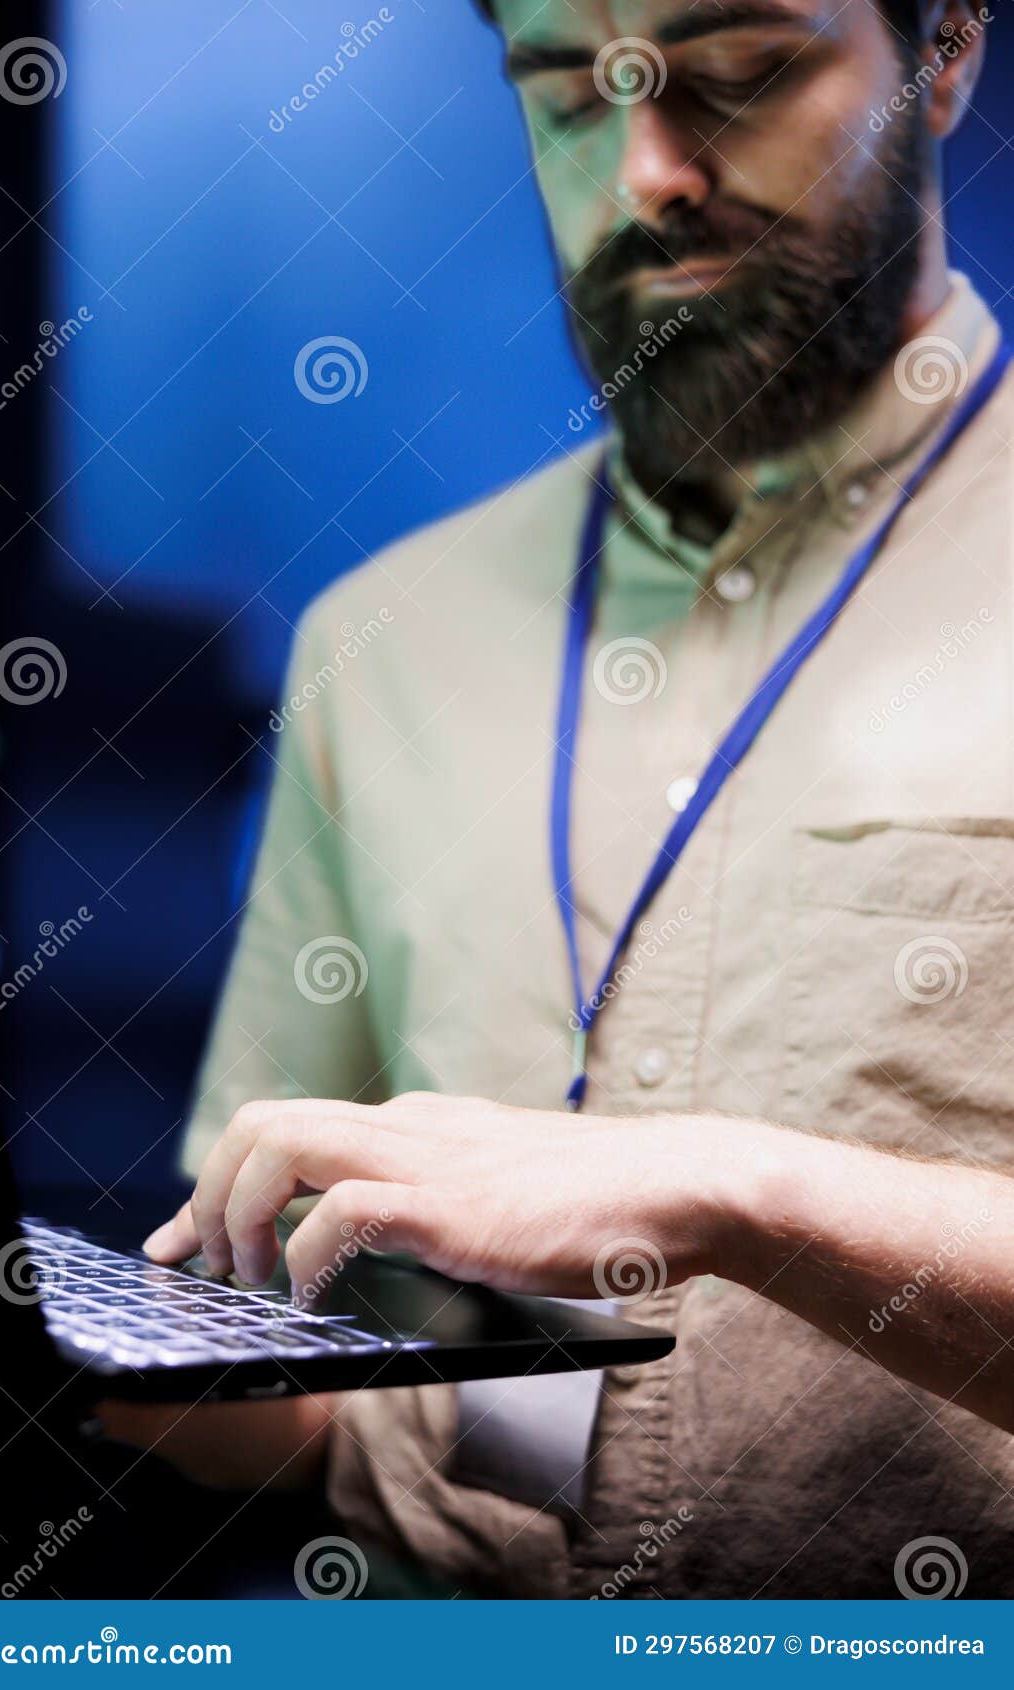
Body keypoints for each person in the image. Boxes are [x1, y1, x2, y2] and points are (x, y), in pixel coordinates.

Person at [135, 0, 1014, 1598]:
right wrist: (63, 1355)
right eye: (565, 93)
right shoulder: (377, 642)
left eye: (739, 71)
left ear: (944, 46)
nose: (644, 175)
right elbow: (301, 1386)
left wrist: (735, 1191)